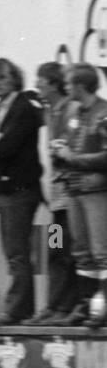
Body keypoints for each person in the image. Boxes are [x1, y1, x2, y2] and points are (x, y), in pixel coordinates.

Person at [0, 57, 43, 325]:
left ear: (13, 78)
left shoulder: (23, 106)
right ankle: (21, 308)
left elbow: (9, 146)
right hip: (4, 190)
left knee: (17, 252)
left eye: (1, 78)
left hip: (20, 189)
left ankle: (15, 309)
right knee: (14, 252)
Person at [53, 62, 107, 328]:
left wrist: (74, 158)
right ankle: (87, 304)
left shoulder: (103, 112)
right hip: (73, 190)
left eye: (69, 83)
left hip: (96, 190)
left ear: (81, 85)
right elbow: (70, 143)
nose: (66, 87)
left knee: (101, 252)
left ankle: (102, 307)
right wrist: (61, 148)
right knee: (80, 251)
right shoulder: (74, 112)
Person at [26, 62, 77, 325]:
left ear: (54, 83)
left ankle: (65, 307)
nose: (37, 85)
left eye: (41, 81)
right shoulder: (48, 113)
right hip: (54, 200)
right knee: (55, 251)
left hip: (70, 199)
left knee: (67, 252)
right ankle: (53, 305)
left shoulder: (70, 109)